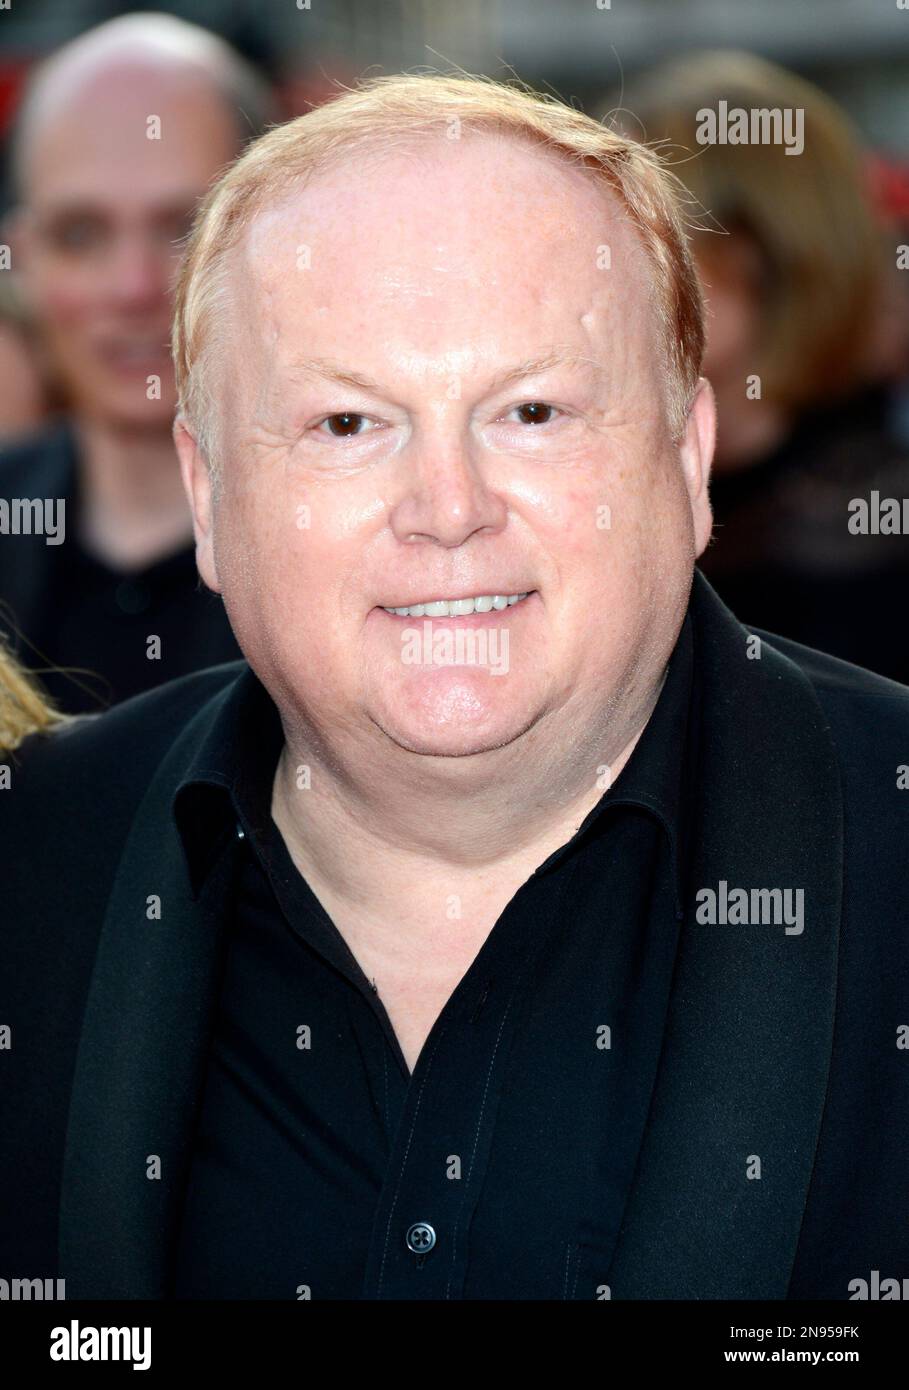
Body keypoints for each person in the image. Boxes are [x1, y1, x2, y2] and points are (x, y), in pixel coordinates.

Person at [1, 71, 907, 1302]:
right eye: (347, 424)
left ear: (690, 457)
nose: (448, 511)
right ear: (208, 497)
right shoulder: (33, 858)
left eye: (531, 411)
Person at [605, 52, 909, 683]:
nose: (603, 268)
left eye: (647, 235)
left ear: (759, 257)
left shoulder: (862, 543)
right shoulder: (625, 474)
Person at [0, 14, 272, 711]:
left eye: (183, 227)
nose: (133, 287)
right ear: (23, 260)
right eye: (81, 234)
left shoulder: (366, 541)